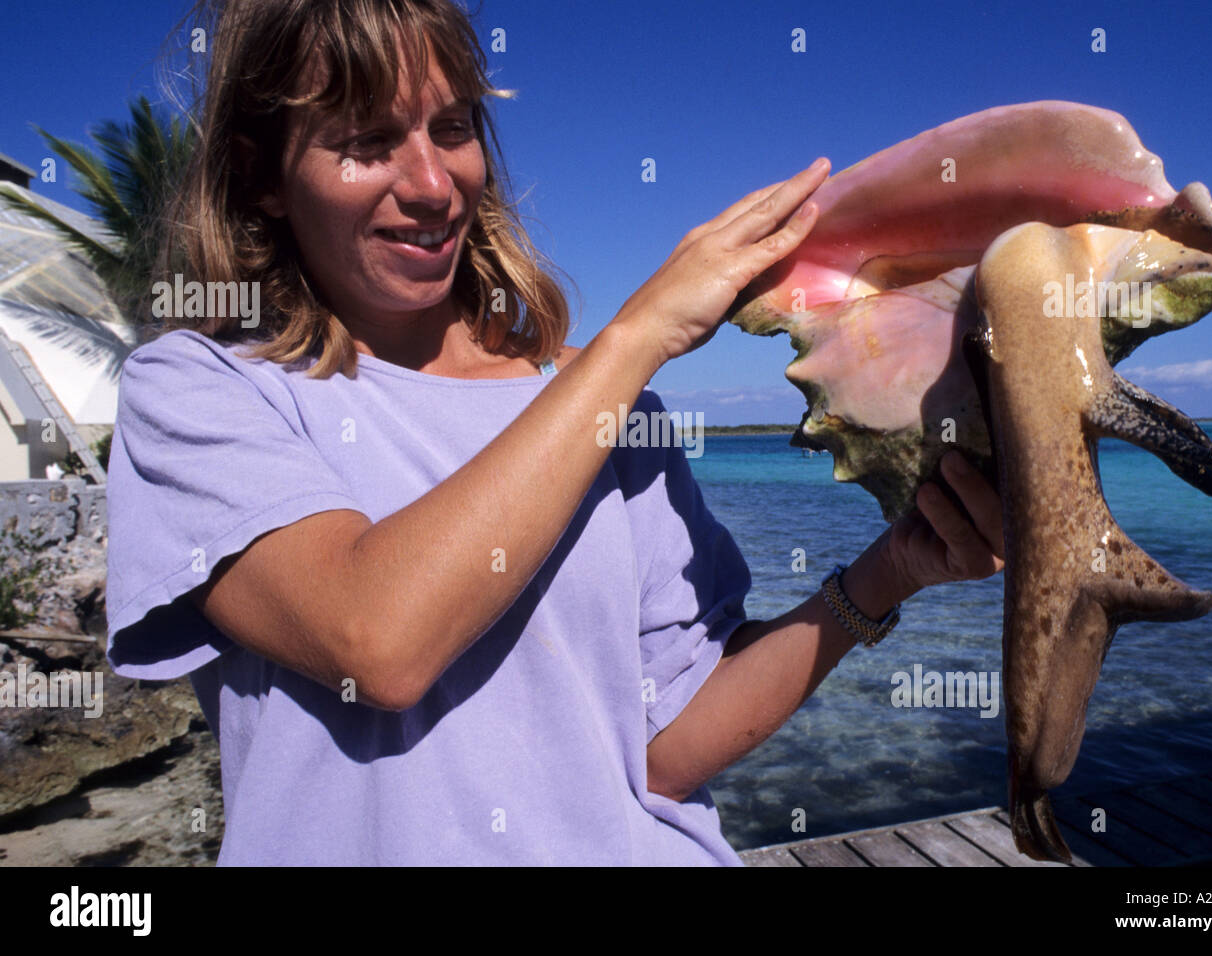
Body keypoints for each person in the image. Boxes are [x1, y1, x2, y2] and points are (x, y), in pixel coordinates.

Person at [105, 0, 1004, 866]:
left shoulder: (607, 410)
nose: (430, 184)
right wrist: (639, 338)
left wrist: (892, 574)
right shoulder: (197, 392)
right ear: (263, 176)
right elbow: (375, 640)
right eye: (365, 142)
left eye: (451, 129)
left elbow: (663, 751)